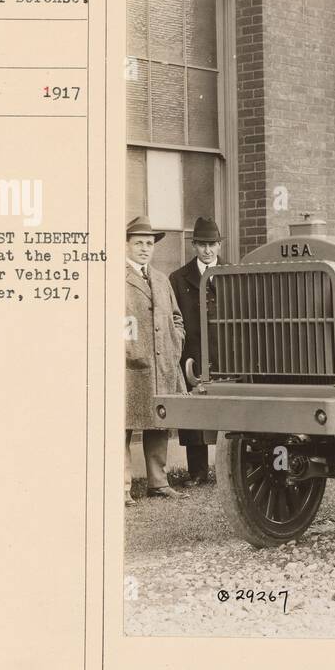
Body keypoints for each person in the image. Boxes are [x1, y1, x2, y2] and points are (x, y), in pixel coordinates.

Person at [124, 215, 187, 505]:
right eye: (138, 243)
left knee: (158, 423)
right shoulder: (116, 279)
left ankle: (158, 483)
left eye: (149, 243)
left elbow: (176, 317)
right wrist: (129, 349)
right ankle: (121, 487)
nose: (144, 248)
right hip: (129, 365)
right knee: (123, 427)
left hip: (162, 363)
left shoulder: (161, 279)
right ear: (126, 245)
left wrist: (176, 340)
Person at [169, 216, 223, 487]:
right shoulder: (178, 278)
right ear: (194, 246)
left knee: (230, 408)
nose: (208, 250)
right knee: (194, 410)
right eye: (202, 244)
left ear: (219, 245)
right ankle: (198, 471)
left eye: (212, 244)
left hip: (225, 352)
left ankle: (230, 469)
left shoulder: (232, 274)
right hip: (193, 351)